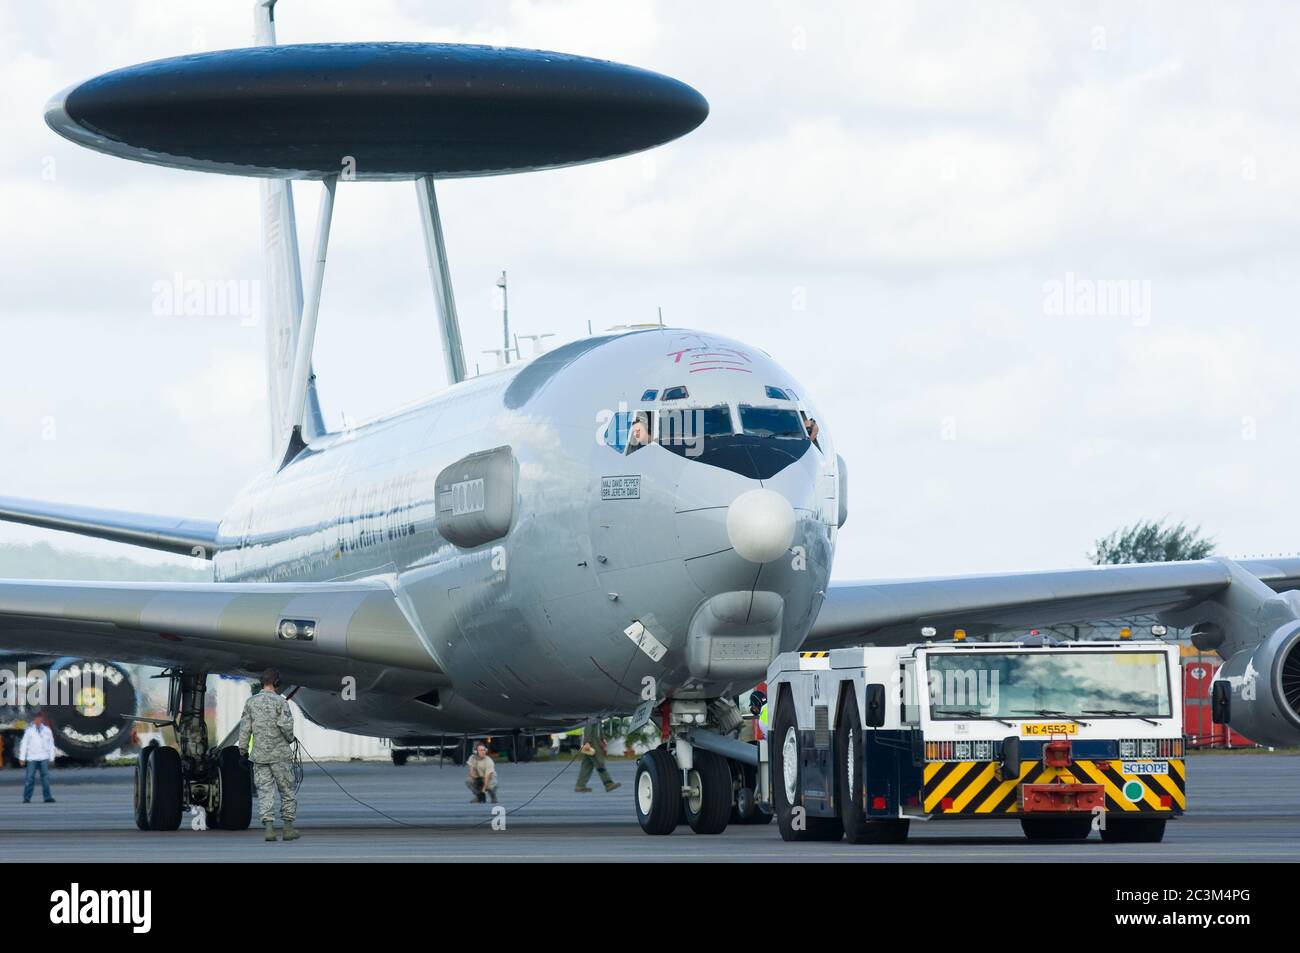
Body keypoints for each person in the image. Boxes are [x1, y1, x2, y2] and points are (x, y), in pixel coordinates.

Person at [237, 669, 299, 842]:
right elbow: (286, 727)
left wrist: (242, 751)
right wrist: (290, 738)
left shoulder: (251, 703)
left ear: (261, 682)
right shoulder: (281, 702)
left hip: (260, 756)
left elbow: (245, 729)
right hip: (279, 755)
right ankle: (288, 829)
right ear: (277, 682)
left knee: (265, 791)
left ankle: (269, 829)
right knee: (286, 790)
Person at [574, 719, 622, 794]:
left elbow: (598, 728)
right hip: (593, 743)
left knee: (587, 765)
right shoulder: (593, 715)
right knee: (600, 764)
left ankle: (580, 785)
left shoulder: (598, 716)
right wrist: (587, 742)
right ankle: (608, 784)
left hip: (595, 742)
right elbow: (588, 727)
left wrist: (602, 739)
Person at [18, 711, 56, 803]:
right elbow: (24, 744)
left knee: (45, 779)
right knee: (29, 778)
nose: (38, 720)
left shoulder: (47, 730)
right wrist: (22, 758)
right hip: (32, 758)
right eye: (36, 719)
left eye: (39, 718)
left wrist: (52, 758)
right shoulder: (29, 730)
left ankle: (47, 797)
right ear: (34, 720)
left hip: (44, 757)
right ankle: (27, 798)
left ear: (42, 719)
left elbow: (51, 745)